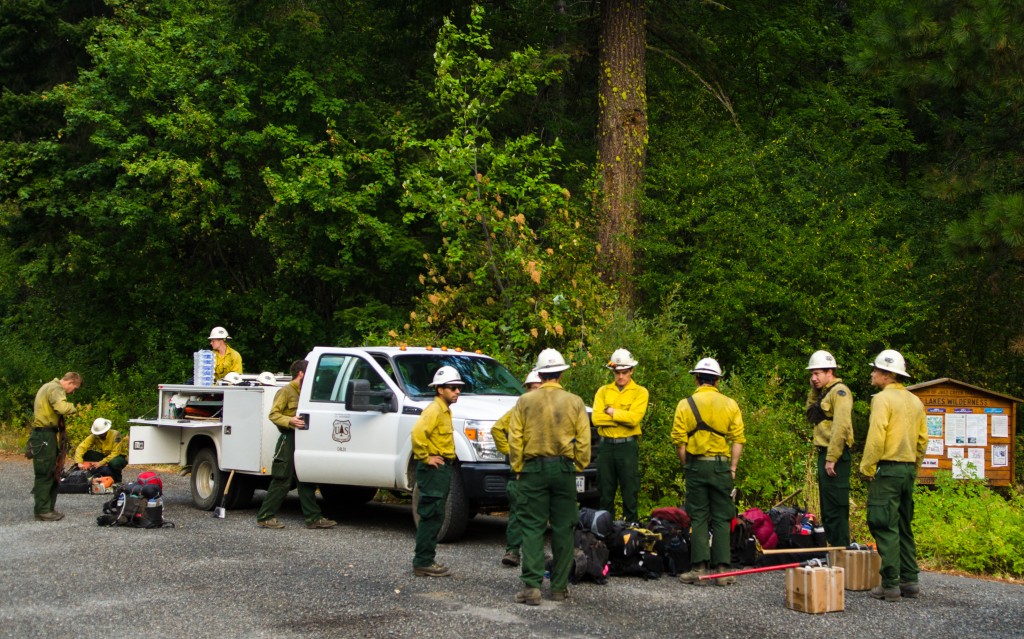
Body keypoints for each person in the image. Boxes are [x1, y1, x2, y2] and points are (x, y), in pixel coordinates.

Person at [508, 349, 591, 605]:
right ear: (561, 373)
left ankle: (531, 587)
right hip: (564, 469)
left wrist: (519, 466)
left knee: (532, 527)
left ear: (540, 373)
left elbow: (515, 437)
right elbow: (584, 440)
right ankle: (559, 587)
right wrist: (577, 465)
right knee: (563, 528)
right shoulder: (575, 401)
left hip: (533, 468)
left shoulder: (525, 401)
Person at [860, 349, 927, 602]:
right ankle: (910, 581)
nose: (872, 373)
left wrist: (867, 467)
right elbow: (922, 441)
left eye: (875, 369)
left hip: (887, 470)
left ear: (887, 374)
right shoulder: (915, 401)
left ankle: (889, 585)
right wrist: (914, 468)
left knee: (883, 523)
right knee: (903, 525)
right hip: (908, 469)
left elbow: (877, 435)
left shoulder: (881, 399)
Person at [671, 357, 745, 586]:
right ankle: (723, 571)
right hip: (721, 465)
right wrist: (732, 467)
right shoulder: (730, 404)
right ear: (717, 381)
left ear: (697, 378)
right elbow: (738, 440)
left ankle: (699, 569)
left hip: (696, 464)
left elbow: (678, 441)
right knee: (723, 515)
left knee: (699, 516)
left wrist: (686, 464)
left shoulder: (685, 404)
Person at [256, 360, 336, 530]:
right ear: (301, 373)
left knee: (306, 478)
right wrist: (290, 420)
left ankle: (314, 518)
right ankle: (265, 516)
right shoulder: (285, 391)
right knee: (282, 478)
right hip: (289, 438)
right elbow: (274, 415)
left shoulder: (307, 393)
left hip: (304, 439)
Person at [410, 365, 465, 577]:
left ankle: (425, 559)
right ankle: (423, 561)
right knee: (431, 514)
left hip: (441, 469)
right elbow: (417, 433)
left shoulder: (445, 410)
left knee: (436, 513)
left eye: (458, 387)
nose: (457, 391)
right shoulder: (434, 410)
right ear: (440, 389)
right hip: (434, 469)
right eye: (452, 388)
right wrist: (426, 457)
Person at [491, 370, 543, 567]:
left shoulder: (547, 411)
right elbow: (497, 429)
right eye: (532, 388)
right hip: (521, 468)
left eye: (539, 388)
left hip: (540, 466)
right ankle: (513, 551)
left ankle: (535, 552)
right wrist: (511, 453)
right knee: (518, 509)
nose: (535, 392)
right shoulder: (517, 410)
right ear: (526, 390)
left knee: (539, 511)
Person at [592, 348, 649, 523]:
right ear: (613, 372)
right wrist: (621, 417)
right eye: (617, 372)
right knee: (605, 493)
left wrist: (611, 412)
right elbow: (596, 419)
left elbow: (634, 419)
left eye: (624, 372)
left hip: (627, 447)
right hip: (606, 446)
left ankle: (632, 531)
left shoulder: (640, 392)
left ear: (631, 370)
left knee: (629, 491)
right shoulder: (603, 391)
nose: (621, 376)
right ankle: (603, 532)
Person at [804, 350, 854, 547]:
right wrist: (813, 390)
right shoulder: (823, 393)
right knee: (828, 509)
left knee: (837, 507)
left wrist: (832, 457)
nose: (814, 378)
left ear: (830, 372)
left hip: (836, 457)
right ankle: (834, 550)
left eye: (817, 373)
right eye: (812, 374)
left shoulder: (840, 392)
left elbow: (841, 426)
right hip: (825, 454)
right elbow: (811, 414)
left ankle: (842, 552)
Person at [28, 372, 81, 521]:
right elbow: (62, 408)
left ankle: (47, 508)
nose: (72, 392)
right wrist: (74, 408)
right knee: (46, 472)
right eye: (74, 388)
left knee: (53, 470)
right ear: (70, 382)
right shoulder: (56, 389)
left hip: (46, 435)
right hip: (44, 435)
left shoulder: (47, 386)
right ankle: (43, 510)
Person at [73, 418, 129, 483]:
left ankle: (117, 480)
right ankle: (89, 474)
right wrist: (79, 462)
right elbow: (81, 447)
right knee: (87, 454)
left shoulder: (116, 435)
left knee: (114, 463)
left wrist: (100, 463)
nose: (100, 435)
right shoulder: (94, 436)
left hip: (119, 457)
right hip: (105, 456)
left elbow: (115, 453)